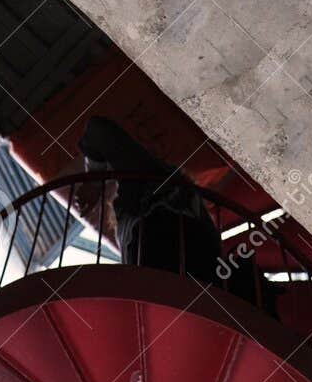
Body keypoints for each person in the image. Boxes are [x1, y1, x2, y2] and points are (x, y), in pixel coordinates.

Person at [78, 116, 220, 283]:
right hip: (195, 267)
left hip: (157, 278)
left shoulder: (140, 195)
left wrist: (94, 181)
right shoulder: (162, 185)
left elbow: (99, 131)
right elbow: (99, 130)